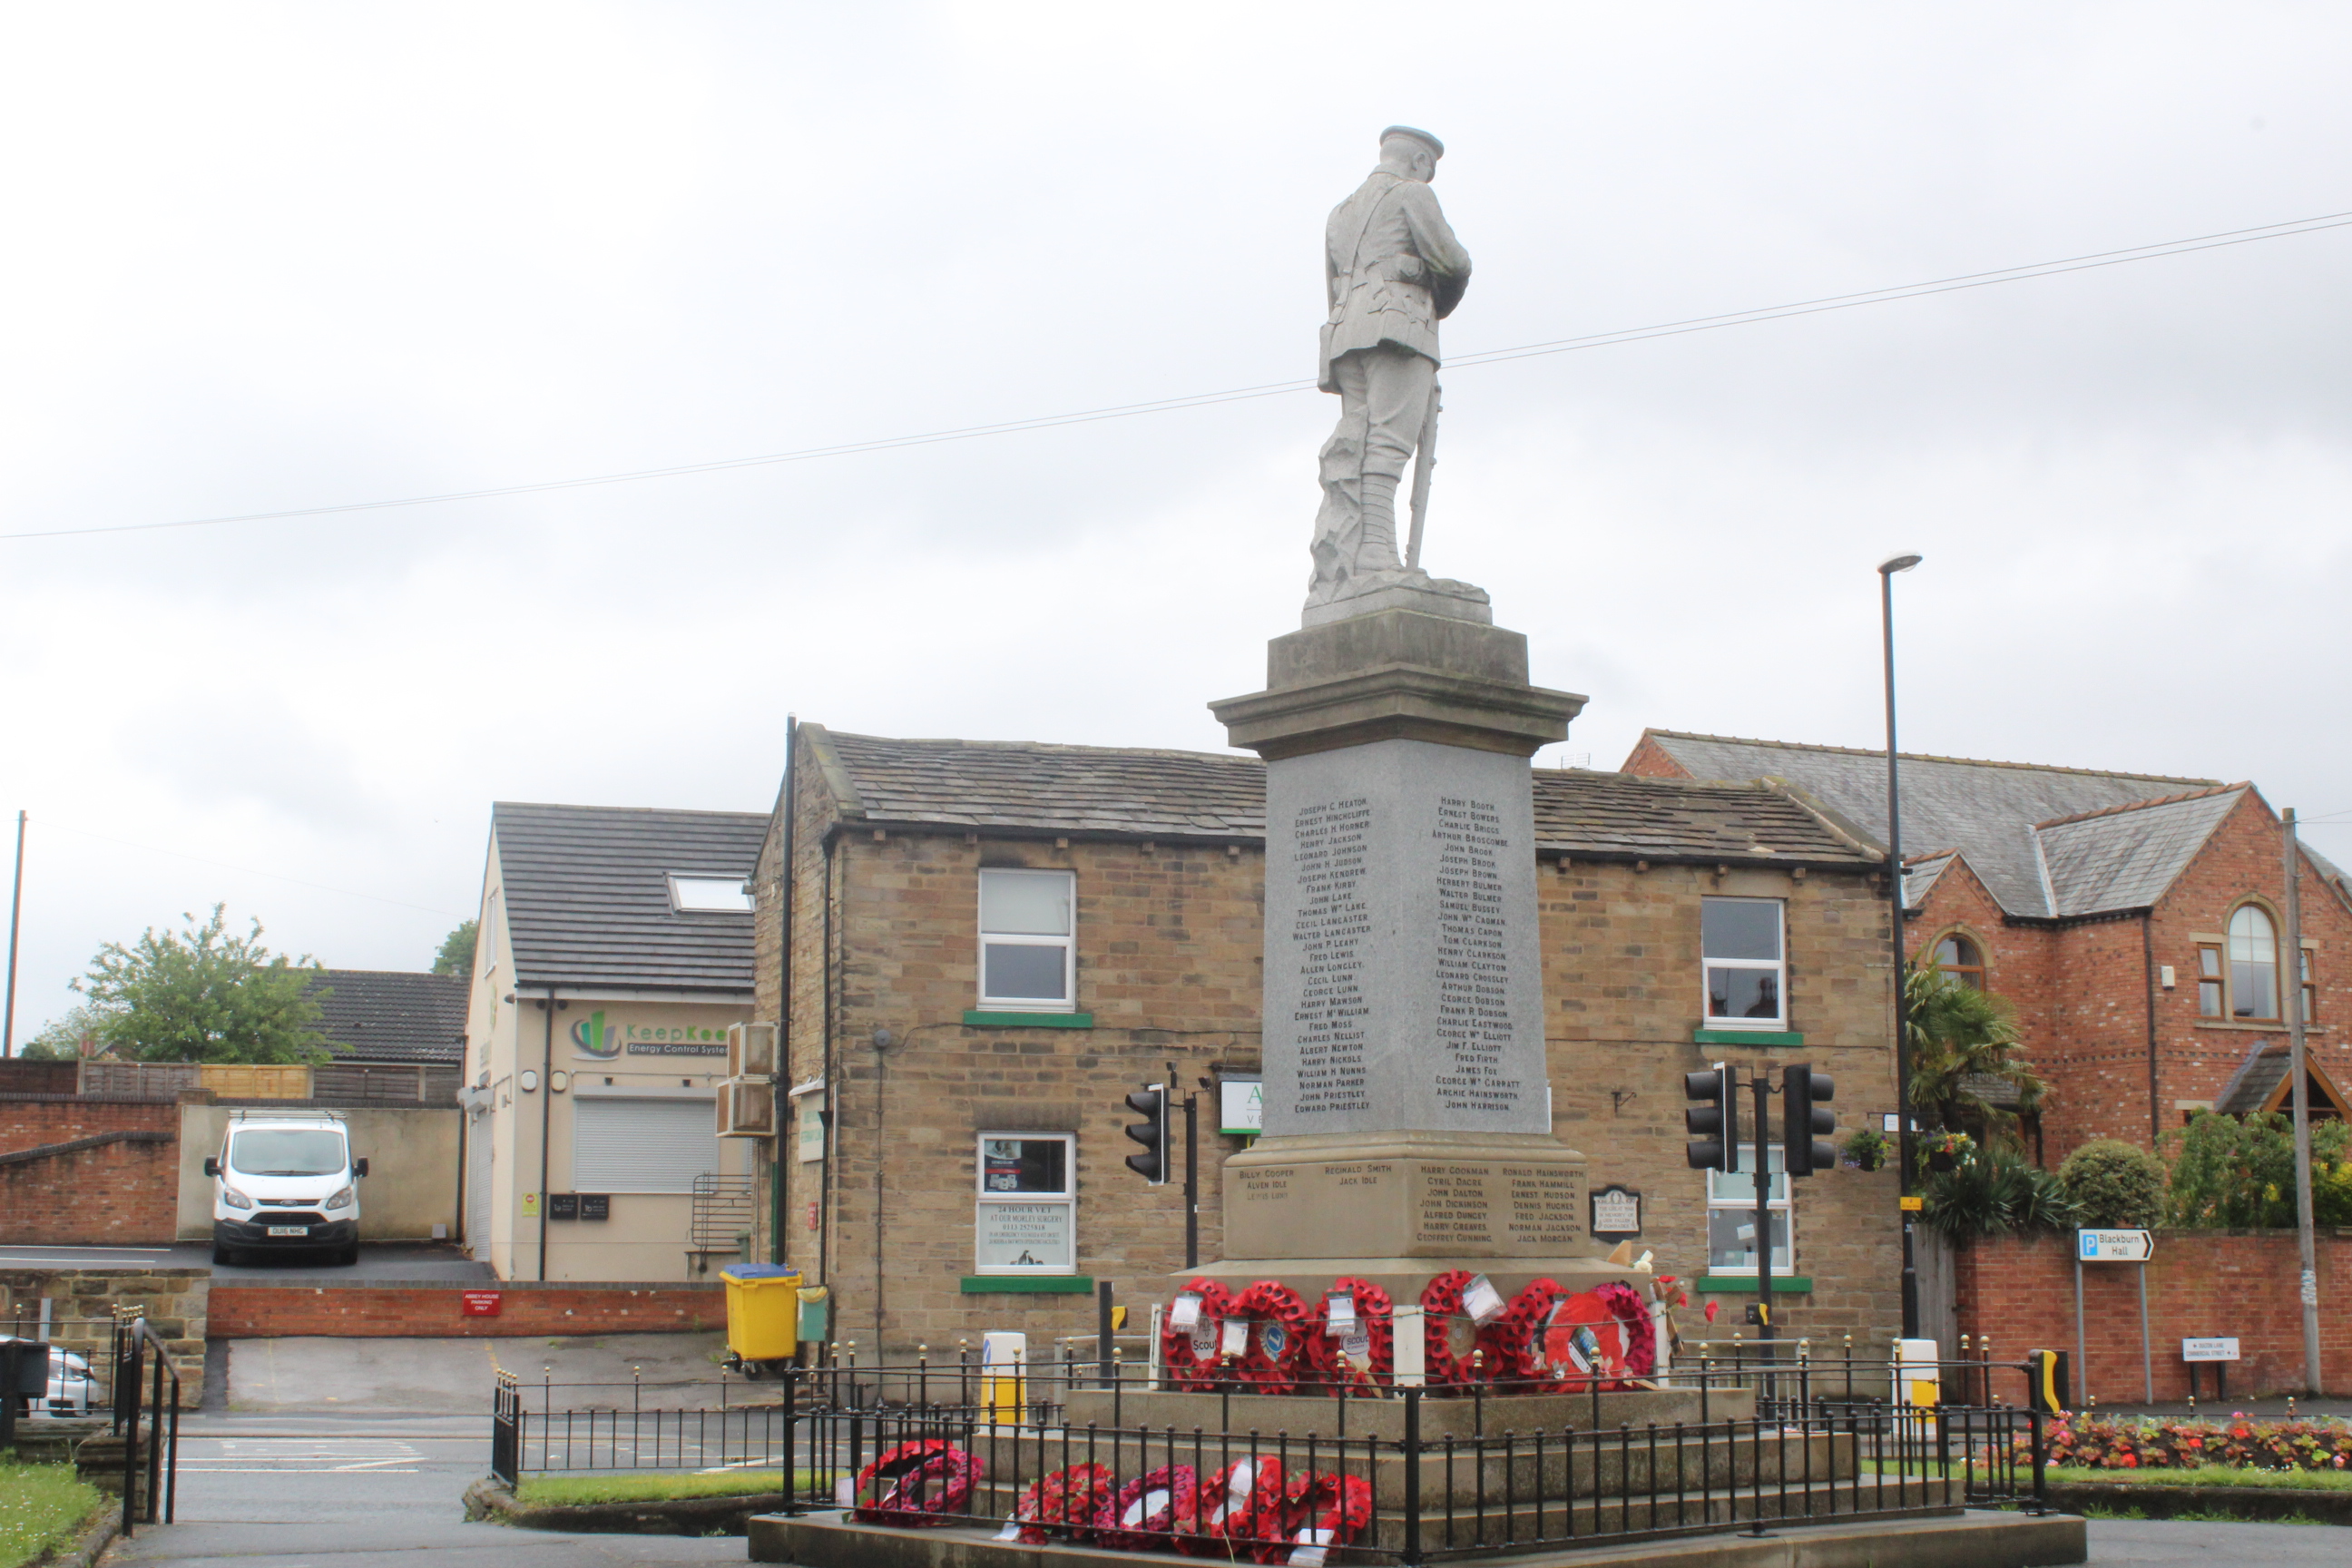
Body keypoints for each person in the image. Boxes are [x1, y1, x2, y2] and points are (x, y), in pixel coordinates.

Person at [1309, 125, 1473, 606]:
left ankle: (1352, 555)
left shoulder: (1340, 212)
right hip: (1399, 326)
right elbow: (1454, 263)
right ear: (1420, 162)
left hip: (1347, 334)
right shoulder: (1413, 194)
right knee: (1388, 443)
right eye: (1430, 169)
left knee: (1357, 444)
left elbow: (1334, 284)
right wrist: (1433, 295)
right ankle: (1376, 553)